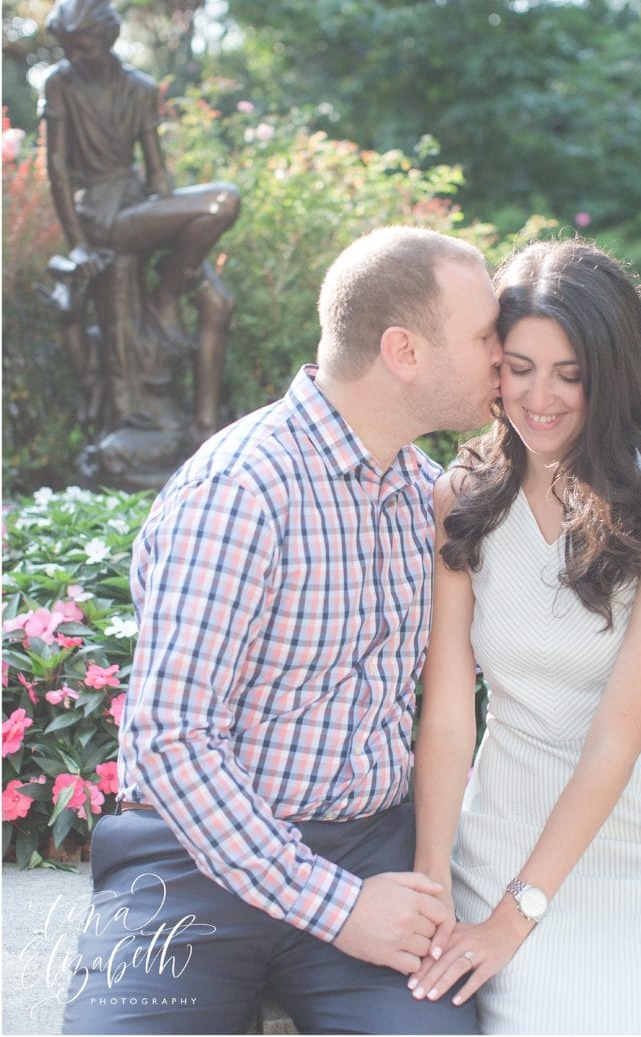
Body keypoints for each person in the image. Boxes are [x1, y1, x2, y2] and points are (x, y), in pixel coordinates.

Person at [61, 224, 503, 1036]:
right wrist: (336, 908)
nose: (500, 356)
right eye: (484, 335)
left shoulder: (426, 495)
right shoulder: (242, 491)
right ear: (404, 350)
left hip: (372, 851)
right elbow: (170, 737)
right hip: (189, 864)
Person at [409, 238, 641, 1034]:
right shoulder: (459, 498)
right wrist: (432, 885)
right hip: (502, 840)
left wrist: (513, 918)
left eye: (570, 374)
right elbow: (451, 719)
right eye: (519, 367)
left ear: (613, 372)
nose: (540, 399)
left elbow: (613, 743)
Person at [40, 0, 240, 446]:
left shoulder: (140, 88)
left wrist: (170, 212)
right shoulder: (60, 83)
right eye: (68, 48)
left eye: (83, 46)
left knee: (219, 206)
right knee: (223, 198)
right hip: (102, 218)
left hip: (136, 208)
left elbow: (156, 172)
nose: (75, 56)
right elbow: (57, 170)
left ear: (107, 38)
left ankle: (171, 288)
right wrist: (79, 244)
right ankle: (169, 294)